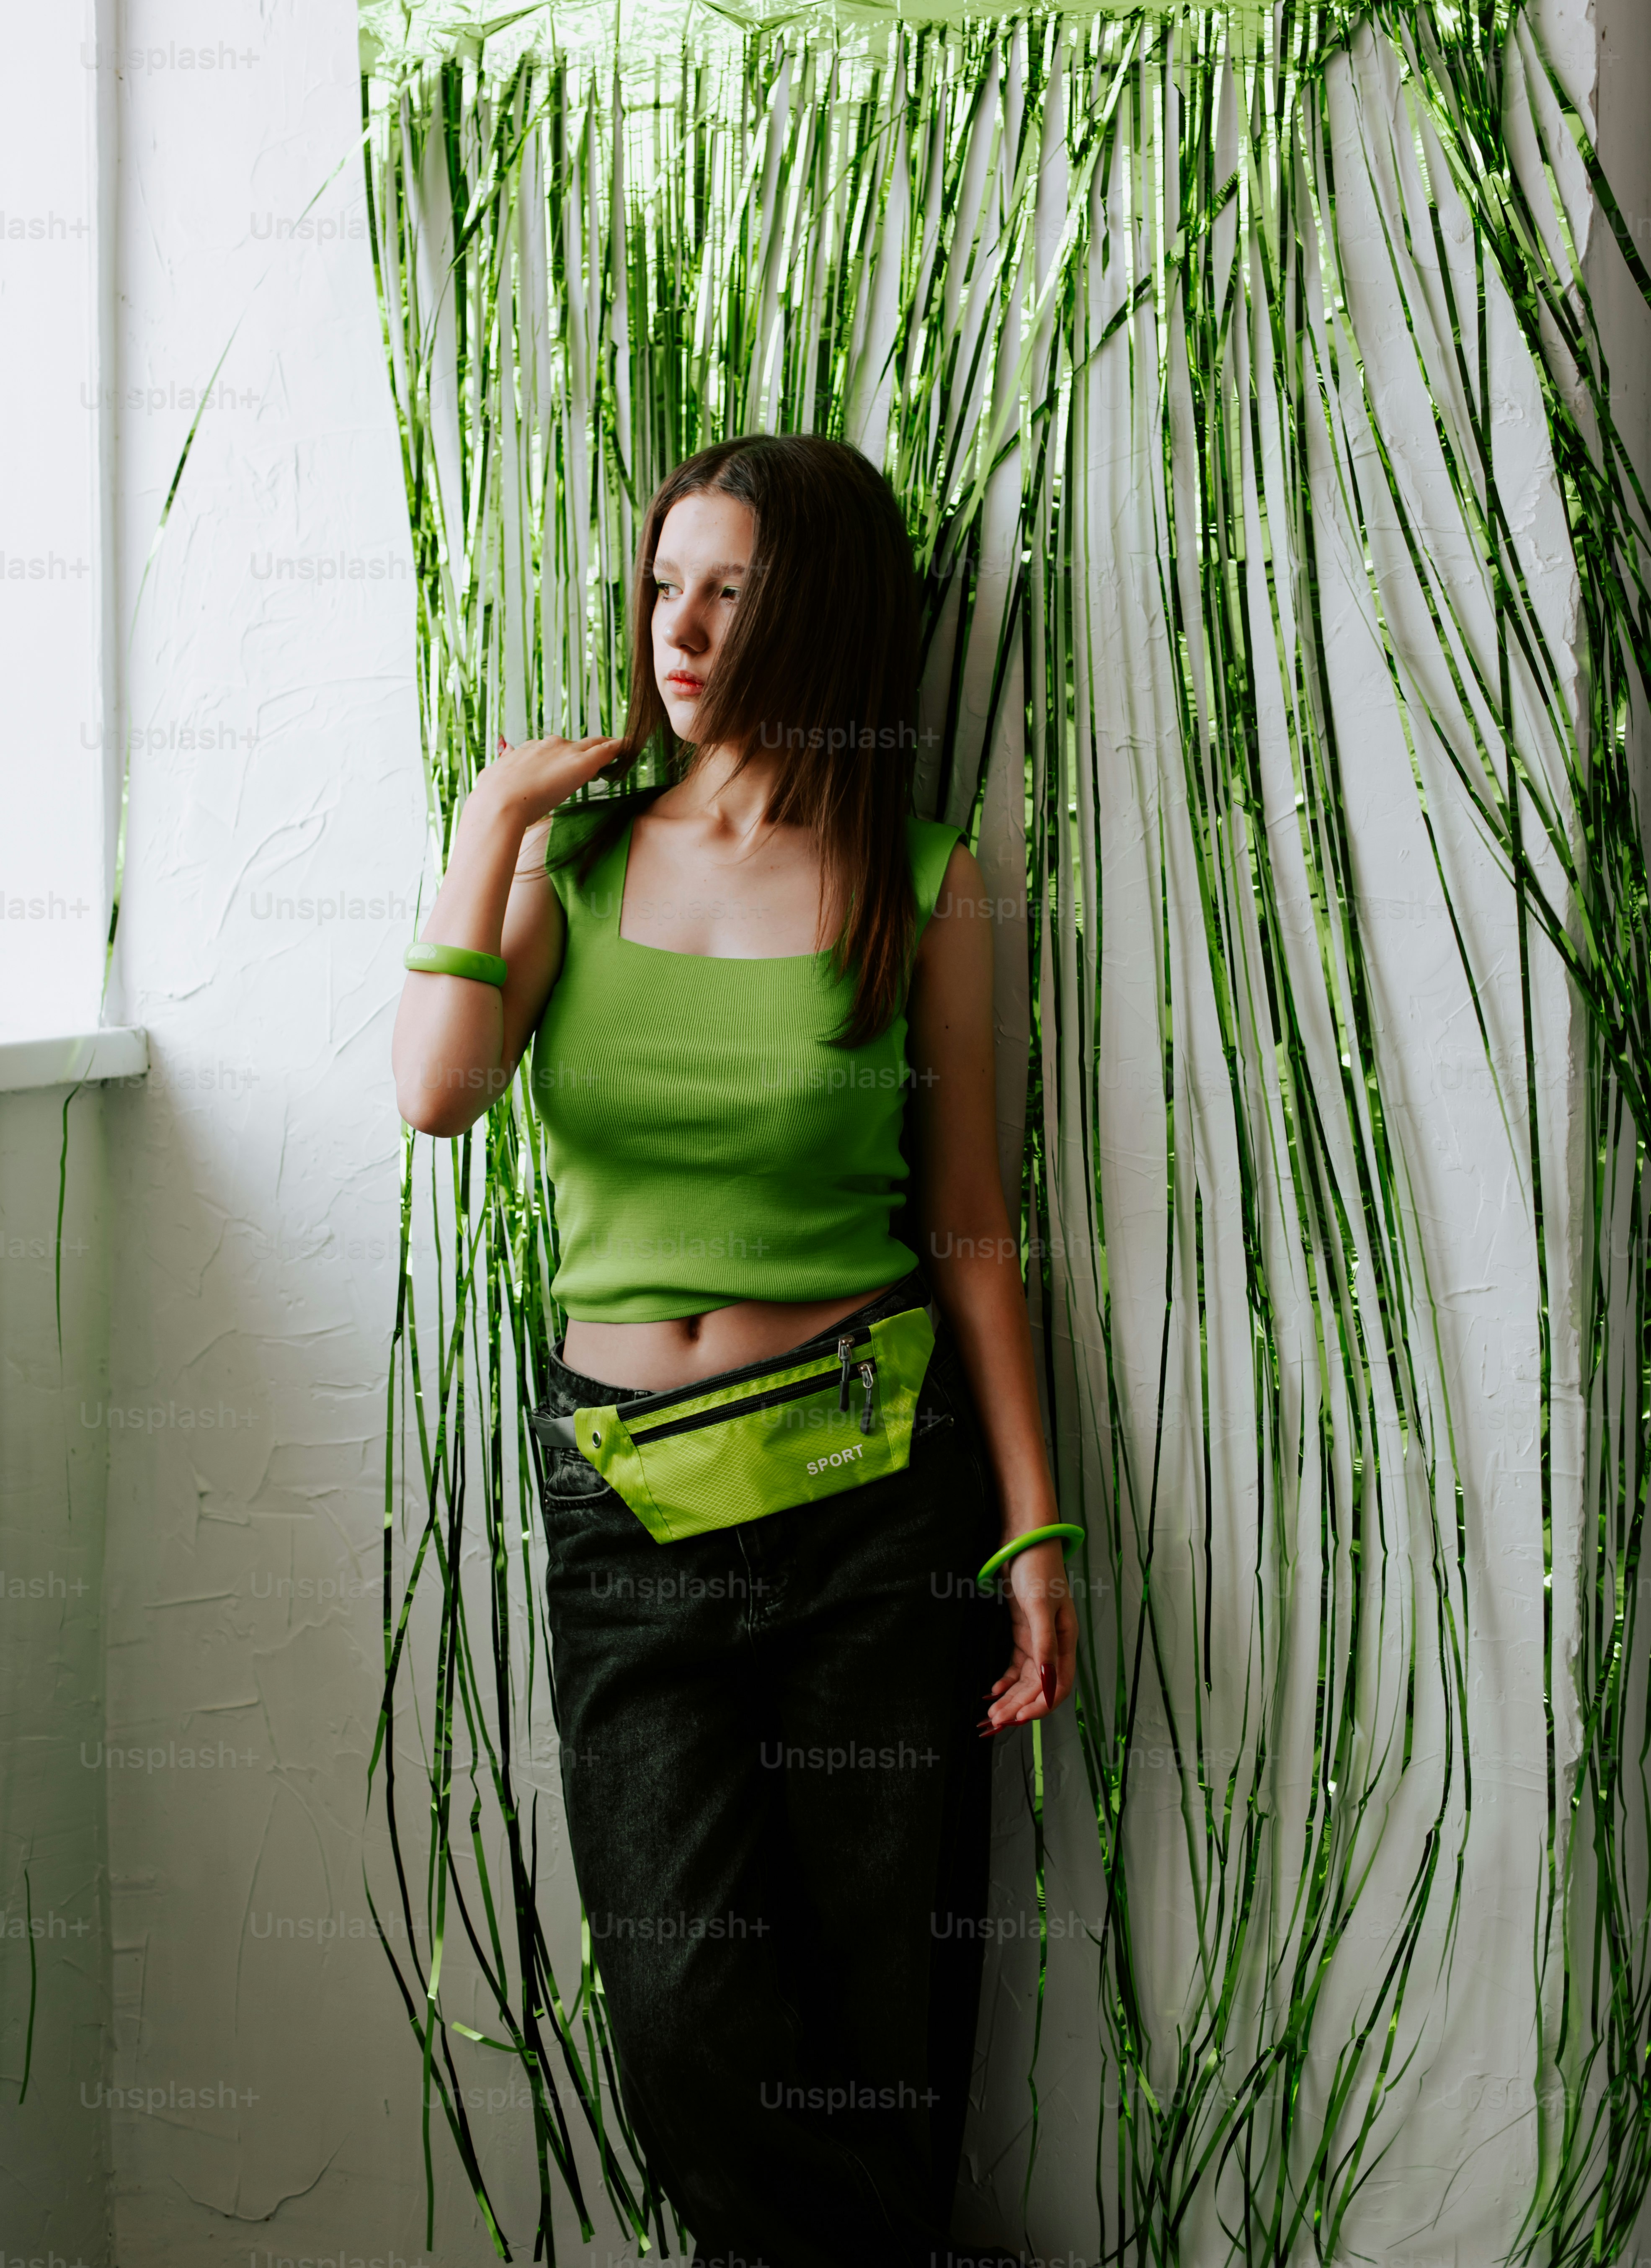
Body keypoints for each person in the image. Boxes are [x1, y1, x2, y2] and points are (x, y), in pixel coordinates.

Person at [391, 433, 1078, 2268]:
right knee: (690, 2013)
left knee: (873, 2033)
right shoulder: (580, 861)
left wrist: (1030, 1532)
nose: (678, 630)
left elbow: (971, 1226)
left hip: (871, 1497)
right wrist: (488, 828)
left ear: (821, 613)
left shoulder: (916, 882)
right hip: (627, 1510)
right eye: (662, 585)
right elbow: (437, 1092)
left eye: (731, 591)